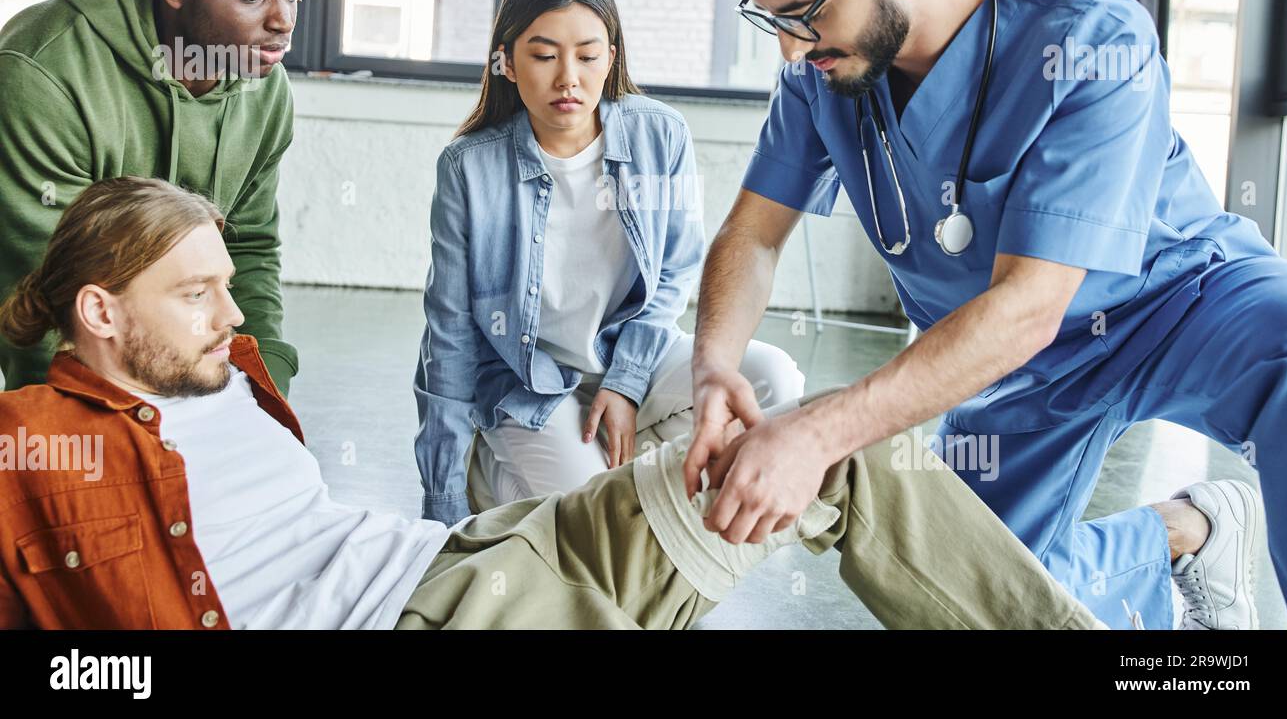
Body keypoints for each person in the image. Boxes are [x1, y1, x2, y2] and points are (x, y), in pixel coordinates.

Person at [0, 176, 1104, 630]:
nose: (228, 314)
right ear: (99, 310)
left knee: (835, 448)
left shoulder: (229, 367)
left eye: (225, 285)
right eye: (194, 294)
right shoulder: (34, 446)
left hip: (476, 553)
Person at [685, 0, 1287, 630]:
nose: (793, 50)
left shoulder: (1087, 39)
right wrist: (715, 364)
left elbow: (1032, 305)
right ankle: (1183, 536)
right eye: (773, 21)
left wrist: (814, 435)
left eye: (804, 14)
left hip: (1176, 299)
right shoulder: (821, 74)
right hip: (1010, 367)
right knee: (976, 593)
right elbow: (754, 234)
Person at [413, 0, 805, 526]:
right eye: (544, 56)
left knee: (774, 382)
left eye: (588, 55)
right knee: (597, 515)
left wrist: (625, 385)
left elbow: (675, 270)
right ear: (507, 62)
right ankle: (496, 474)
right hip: (530, 383)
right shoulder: (468, 168)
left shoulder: (660, 135)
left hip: (632, 354)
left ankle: (605, 466)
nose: (568, 77)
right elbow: (447, 334)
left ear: (612, 58)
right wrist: (442, 504)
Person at [0, 0, 302, 396]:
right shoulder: (42, 73)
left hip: (175, 372)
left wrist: (261, 387)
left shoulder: (265, 88)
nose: (283, 21)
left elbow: (248, 247)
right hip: (76, 381)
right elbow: (45, 296)